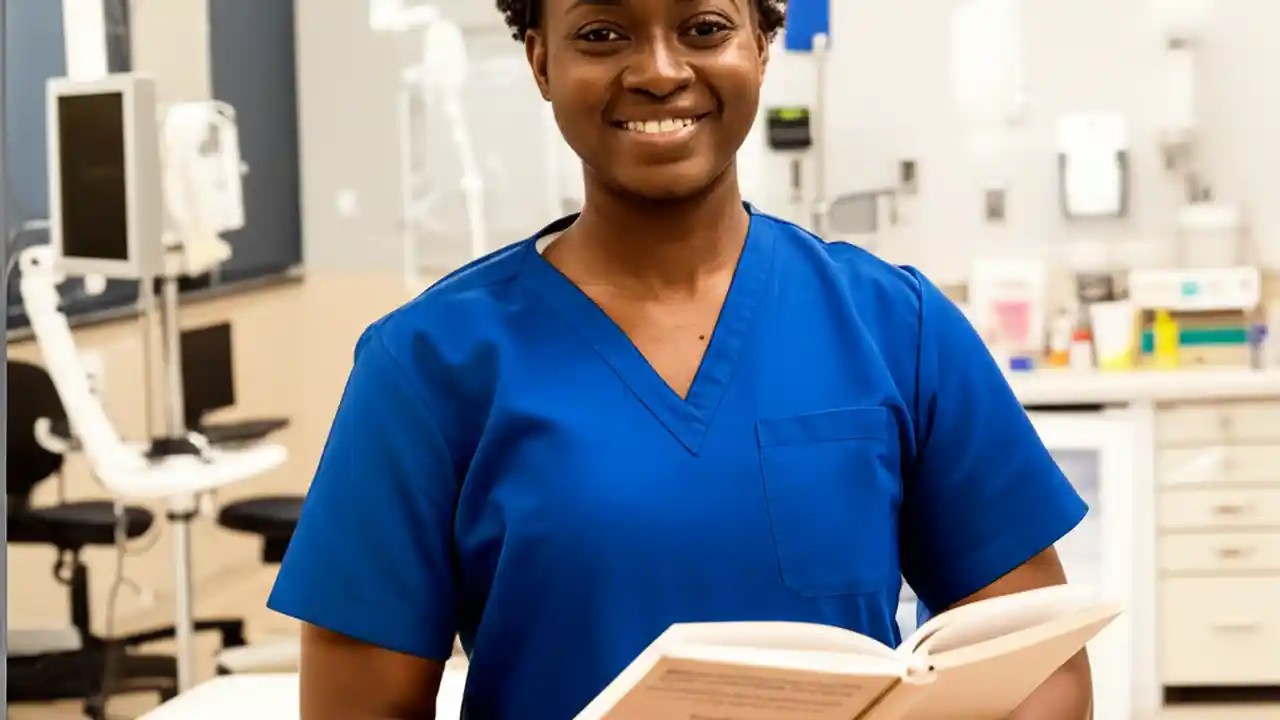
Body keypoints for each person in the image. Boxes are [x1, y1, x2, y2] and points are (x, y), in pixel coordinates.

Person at [267, 0, 1094, 717]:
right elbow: (359, 708)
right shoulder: (425, 367)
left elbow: (1036, 661)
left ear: (762, 45)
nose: (660, 71)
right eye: (601, 32)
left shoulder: (897, 327)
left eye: (704, 26)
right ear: (541, 59)